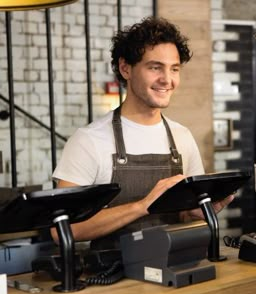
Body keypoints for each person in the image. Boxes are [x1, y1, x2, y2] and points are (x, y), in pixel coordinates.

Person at [51, 17, 233, 250]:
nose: (167, 80)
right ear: (126, 68)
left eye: (174, 69)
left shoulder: (182, 137)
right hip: (115, 279)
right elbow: (62, 229)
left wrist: (196, 212)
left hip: (176, 272)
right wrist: (143, 205)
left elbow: (182, 217)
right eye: (155, 67)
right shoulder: (88, 140)